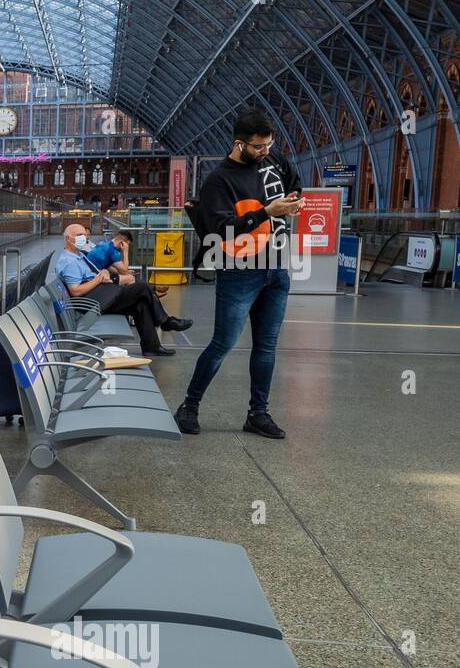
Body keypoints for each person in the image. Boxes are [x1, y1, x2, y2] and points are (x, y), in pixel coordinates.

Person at [173, 110, 304, 439]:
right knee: (223, 343)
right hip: (239, 271)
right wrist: (265, 212)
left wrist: (293, 203)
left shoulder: (275, 161)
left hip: (276, 268)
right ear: (239, 144)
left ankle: (258, 414)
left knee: (266, 347)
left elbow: (295, 184)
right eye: (259, 147)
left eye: (269, 145)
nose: (266, 152)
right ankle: (189, 406)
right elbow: (221, 230)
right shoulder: (220, 180)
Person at [57, 224, 192, 356]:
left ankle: (152, 346)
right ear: (68, 239)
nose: (84, 238)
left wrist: (103, 272)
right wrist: (98, 279)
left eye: (84, 235)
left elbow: (91, 276)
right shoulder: (70, 262)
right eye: (79, 235)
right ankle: (165, 321)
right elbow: (76, 291)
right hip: (95, 302)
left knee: (140, 304)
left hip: (101, 294)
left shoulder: (78, 256)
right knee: (141, 287)